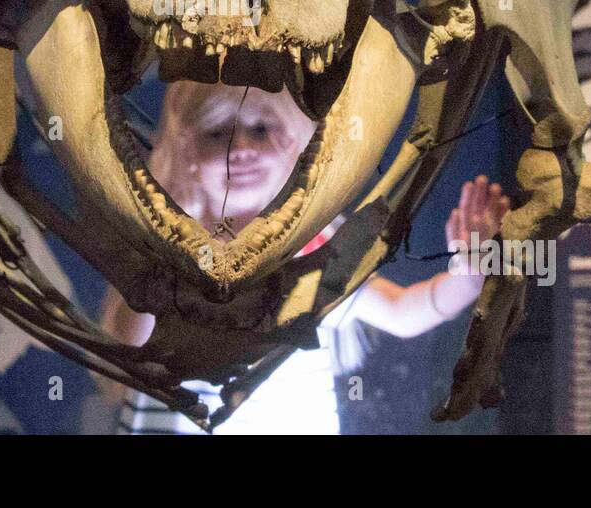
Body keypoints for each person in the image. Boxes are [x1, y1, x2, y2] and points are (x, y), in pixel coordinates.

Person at [99, 80, 510, 434]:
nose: (240, 149)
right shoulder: (160, 252)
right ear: (185, 146)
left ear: (295, 143)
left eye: (260, 130)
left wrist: (468, 275)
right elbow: (129, 345)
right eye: (217, 133)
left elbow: (401, 313)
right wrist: (169, 267)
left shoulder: (311, 254)